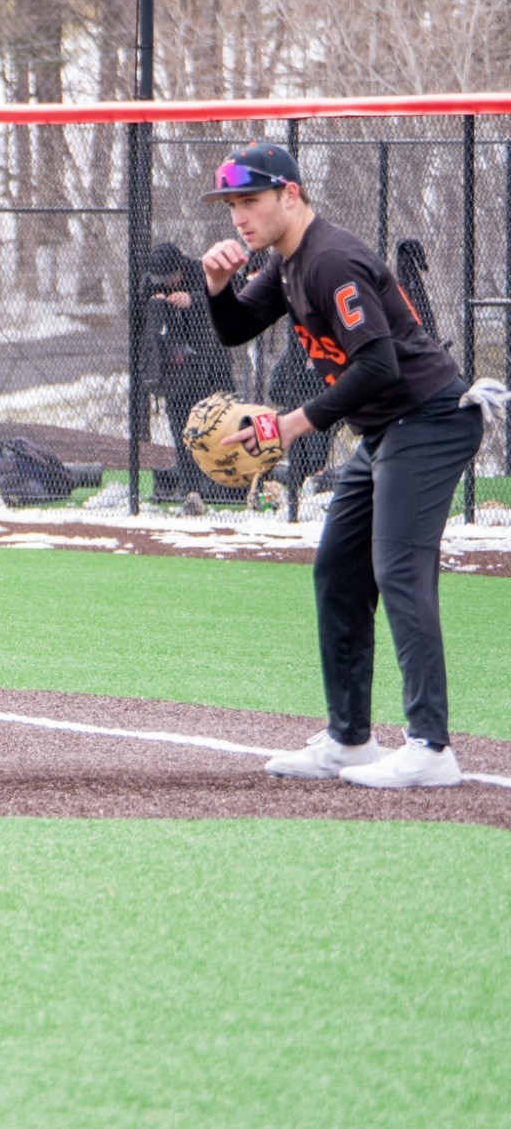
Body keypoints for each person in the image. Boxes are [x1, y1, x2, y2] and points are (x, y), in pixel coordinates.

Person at [199, 143, 482, 788]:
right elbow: (237, 328)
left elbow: (378, 364)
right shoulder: (289, 262)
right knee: (338, 570)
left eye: (249, 200)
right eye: (232, 205)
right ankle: (350, 740)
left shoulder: (329, 260)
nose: (238, 216)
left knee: (398, 568)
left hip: (431, 418)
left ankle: (432, 748)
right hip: (389, 428)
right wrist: (217, 287)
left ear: (289, 196)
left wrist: (295, 423)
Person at [143, 241, 237, 498]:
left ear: (180, 268)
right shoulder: (155, 283)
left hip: (210, 363)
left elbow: (236, 295)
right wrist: (156, 302)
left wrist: (193, 300)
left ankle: (222, 485)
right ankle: (190, 487)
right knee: (181, 426)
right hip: (176, 370)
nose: (168, 283)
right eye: (162, 280)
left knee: (219, 422)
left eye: (171, 278)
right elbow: (141, 309)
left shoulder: (202, 272)